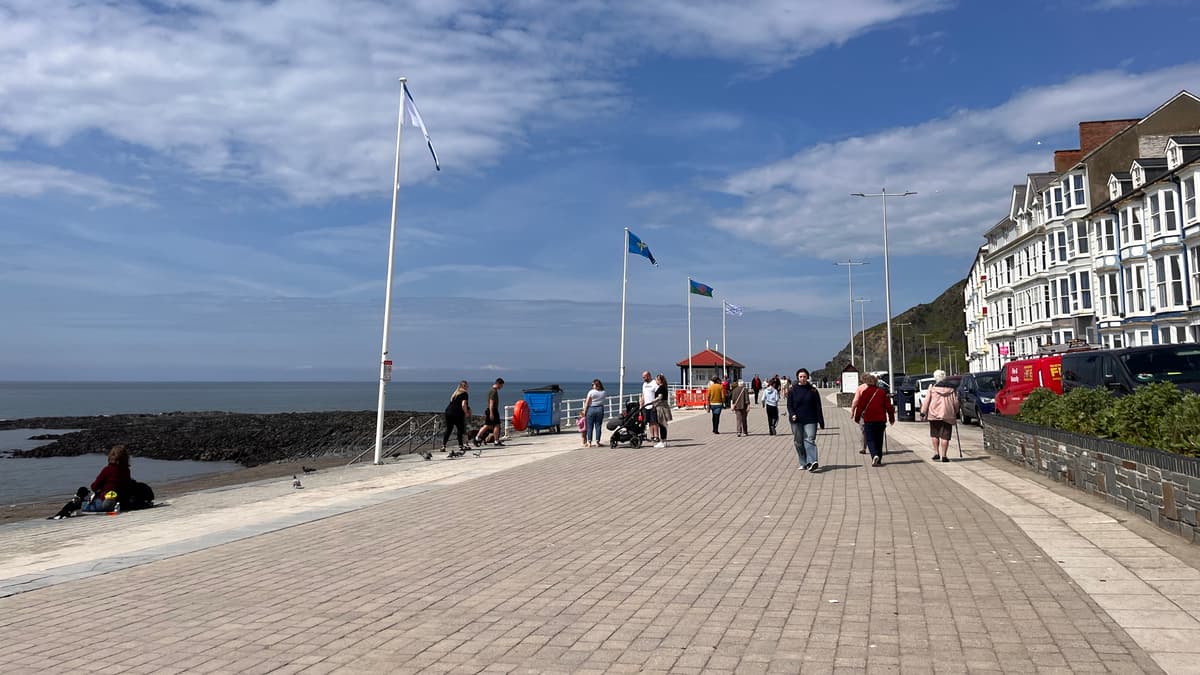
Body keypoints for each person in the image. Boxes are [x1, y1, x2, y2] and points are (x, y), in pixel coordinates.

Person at [786, 368, 825, 472]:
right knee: (798, 442)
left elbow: (818, 406)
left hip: (811, 419)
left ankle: (813, 461)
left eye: (804, 376)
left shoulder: (813, 390)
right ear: (798, 378)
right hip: (796, 420)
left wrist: (821, 421)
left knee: (809, 439)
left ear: (807, 377)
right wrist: (793, 414)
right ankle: (803, 462)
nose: (803, 378)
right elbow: (789, 405)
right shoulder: (792, 390)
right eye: (801, 377)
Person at [852, 373, 895, 466]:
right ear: (876, 382)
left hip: (869, 419)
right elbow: (889, 407)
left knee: (870, 439)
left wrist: (857, 417)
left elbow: (860, 407)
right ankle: (879, 459)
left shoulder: (865, 393)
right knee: (879, 439)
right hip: (881, 420)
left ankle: (874, 455)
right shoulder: (882, 392)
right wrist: (892, 418)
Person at [921, 369, 961, 462]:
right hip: (947, 414)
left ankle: (936, 453)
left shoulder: (932, 388)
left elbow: (926, 401)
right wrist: (956, 411)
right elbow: (955, 402)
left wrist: (923, 412)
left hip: (934, 414)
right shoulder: (951, 389)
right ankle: (944, 456)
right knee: (945, 436)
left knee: (935, 434)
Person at [82, 444, 132, 512]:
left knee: (84, 505)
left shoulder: (107, 470)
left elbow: (94, 487)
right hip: (121, 499)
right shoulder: (126, 471)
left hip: (105, 500)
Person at [442, 380, 471, 458]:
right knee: (460, 429)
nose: (468, 387)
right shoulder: (464, 393)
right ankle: (461, 446)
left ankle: (443, 446)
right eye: (467, 386)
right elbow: (463, 404)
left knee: (449, 429)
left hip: (448, 412)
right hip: (457, 413)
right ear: (464, 386)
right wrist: (466, 412)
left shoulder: (455, 393)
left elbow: (453, 403)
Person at [474, 378, 505, 447]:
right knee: (495, 425)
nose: (501, 387)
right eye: (501, 385)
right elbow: (491, 403)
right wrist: (491, 413)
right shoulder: (493, 391)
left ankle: (478, 438)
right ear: (498, 384)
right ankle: (495, 441)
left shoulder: (493, 391)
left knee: (489, 425)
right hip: (493, 410)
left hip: (492, 410)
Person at [583, 379, 606, 447]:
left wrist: (584, 411)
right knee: (598, 426)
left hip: (591, 409)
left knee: (590, 426)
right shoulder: (604, 392)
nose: (592, 386)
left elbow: (587, 402)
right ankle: (597, 442)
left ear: (596, 385)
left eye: (593, 384)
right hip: (600, 409)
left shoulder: (591, 392)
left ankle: (589, 442)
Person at [652, 373, 672, 448]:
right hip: (663, 406)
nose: (655, 381)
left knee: (662, 424)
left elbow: (660, 397)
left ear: (659, 380)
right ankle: (664, 441)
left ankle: (662, 441)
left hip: (661, 407)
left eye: (656, 379)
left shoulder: (661, 387)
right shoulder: (663, 387)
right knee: (663, 424)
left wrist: (653, 401)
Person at [641, 370, 659, 443]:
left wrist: (656, 403)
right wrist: (641, 403)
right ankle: (652, 436)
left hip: (653, 405)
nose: (643, 378)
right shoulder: (644, 384)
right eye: (643, 377)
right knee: (649, 422)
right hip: (646, 405)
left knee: (654, 421)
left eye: (644, 377)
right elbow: (643, 394)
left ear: (648, 376)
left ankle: (656, 436)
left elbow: (658, 394)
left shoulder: (654, 383)